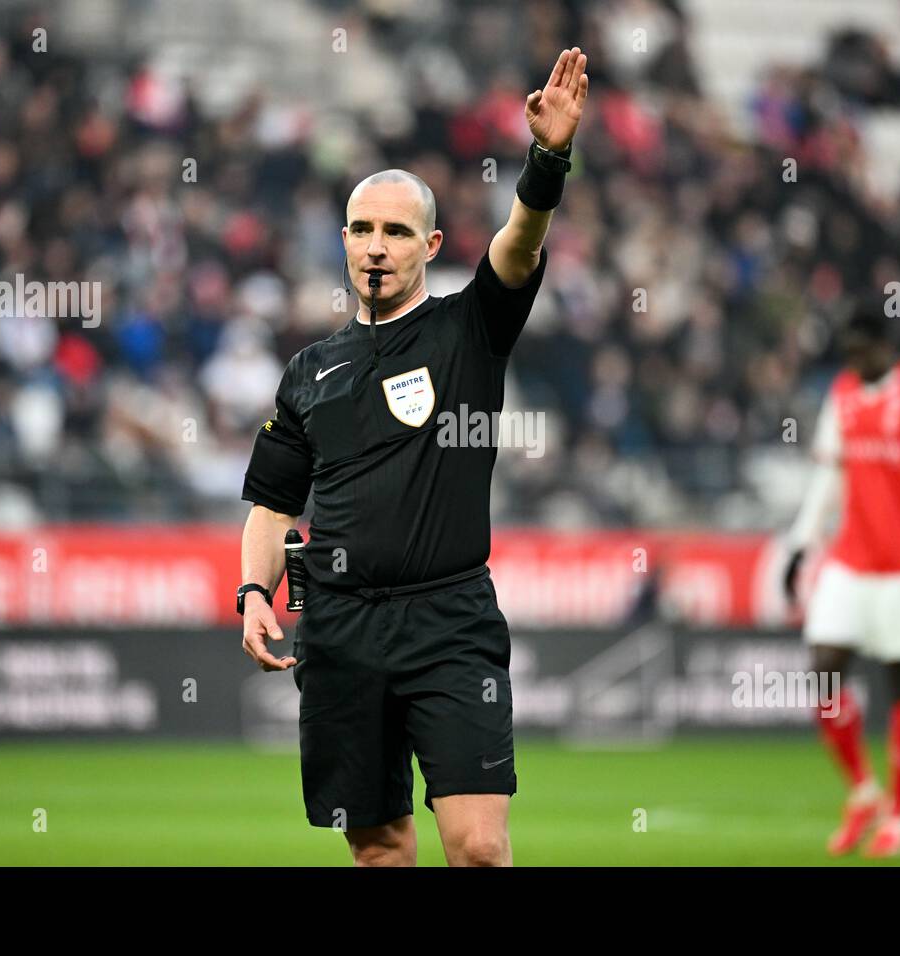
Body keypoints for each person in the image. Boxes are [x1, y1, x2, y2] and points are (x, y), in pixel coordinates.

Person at [235, 48, 589, 866]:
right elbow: (272, 506)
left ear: (429, 244)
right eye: (362, 229)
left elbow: (522, 240)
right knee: (381, 853)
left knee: (477, 850)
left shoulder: (470, 329)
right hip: (339, 627)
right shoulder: (308, 371)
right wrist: (255, 590)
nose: (377, 246)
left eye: (397, 231)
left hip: (449, 622)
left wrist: (548, 157)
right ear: (345, 241)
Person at [783, 301, 900, 858]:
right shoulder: (842, 393)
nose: (852, 361)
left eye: (861, 351)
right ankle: (864, 793)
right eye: (847, 352)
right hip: (850, 562)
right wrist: (801, 545)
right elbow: (828, 476)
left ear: (886, 348)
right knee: (822, 675)